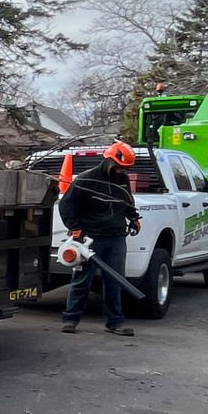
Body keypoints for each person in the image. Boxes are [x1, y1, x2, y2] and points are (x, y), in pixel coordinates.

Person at [59, 141, 142, 336]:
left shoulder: (122, 180)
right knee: (82, 280)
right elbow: (67, 206)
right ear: (108, 161)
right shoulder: (86, 180)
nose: (122, 171)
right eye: (119, 167)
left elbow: (127, 200)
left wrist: (134, 217)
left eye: (125, 168)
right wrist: (76, 228)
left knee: (115, 281)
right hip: (90, 239)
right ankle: (70, 318)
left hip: (116, 238)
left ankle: (115, 322)